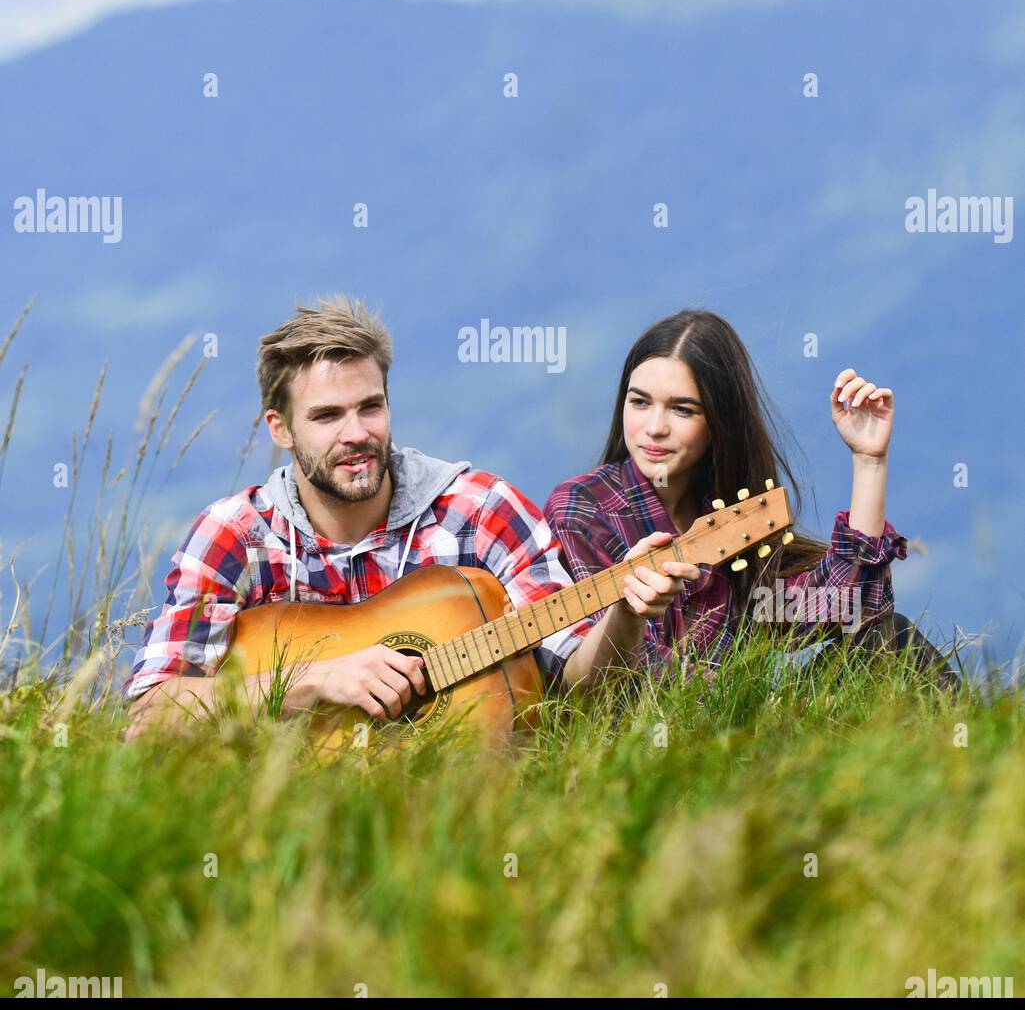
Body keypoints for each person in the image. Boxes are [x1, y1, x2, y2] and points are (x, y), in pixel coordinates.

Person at [122, 295, 601, 740]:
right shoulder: (234, 536)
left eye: (370, 407)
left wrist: (627, 613)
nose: (356, 433)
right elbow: (148, 718)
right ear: (281, 429)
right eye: (327, 416)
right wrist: (312, 681)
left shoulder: (484, 512)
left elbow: (579, 684)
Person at [543, 309, 959, 695]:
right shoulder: (583, 509)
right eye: (639, 402)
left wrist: (869, 461)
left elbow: (852, 608)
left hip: (740, 729)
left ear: (719, 423)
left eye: (682, 410)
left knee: (892, 640)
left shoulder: (730, 516)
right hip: (652, 744)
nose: (654, 428)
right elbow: (612, 685)